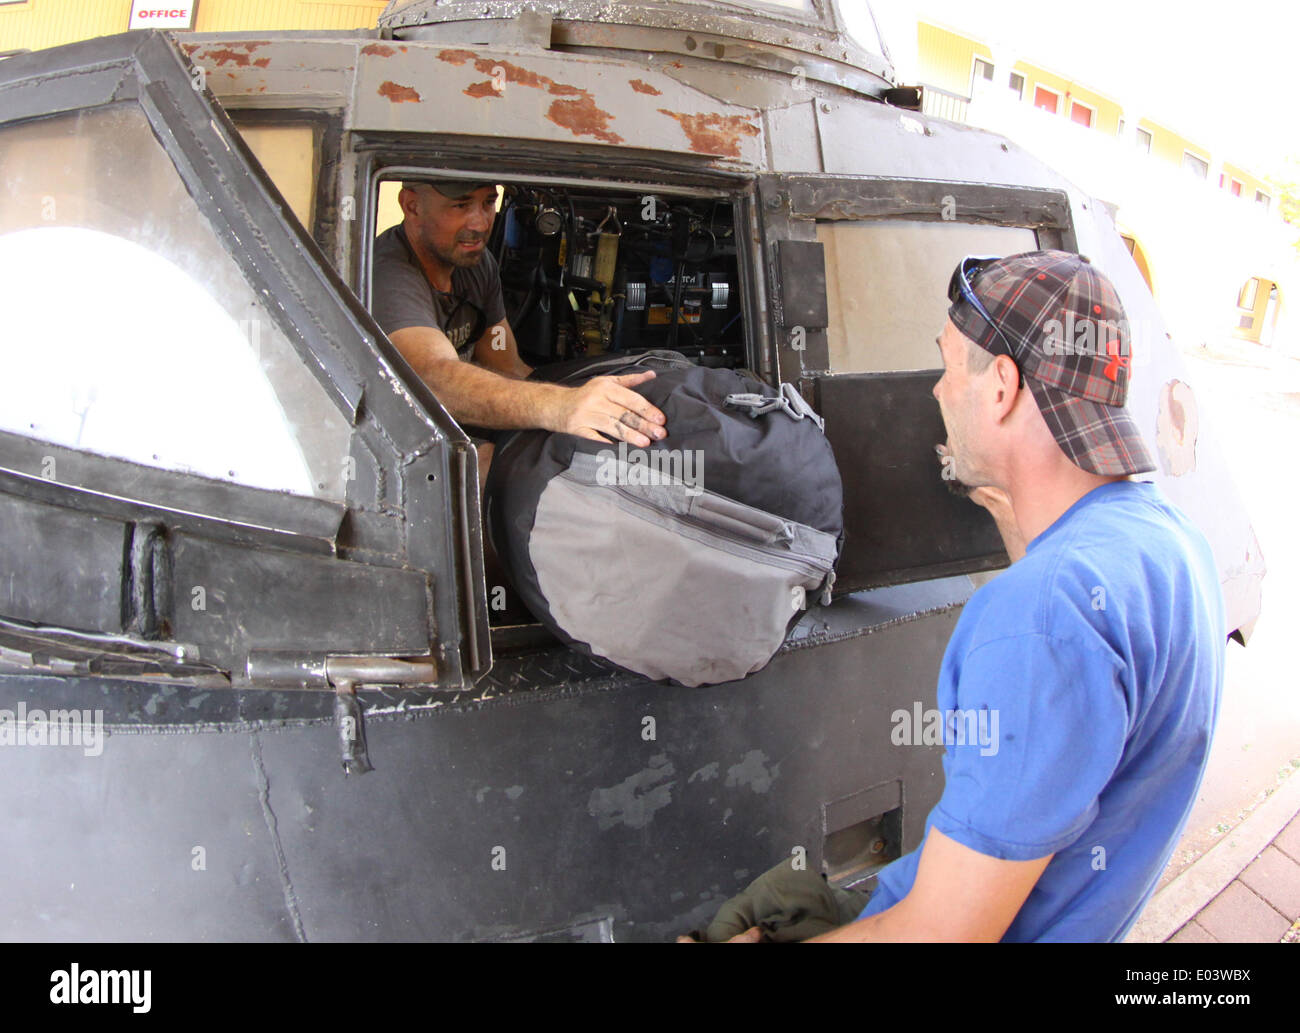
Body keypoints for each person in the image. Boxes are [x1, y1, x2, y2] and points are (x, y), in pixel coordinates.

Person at [708, 250, 1226, 943]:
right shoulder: (1172, 547)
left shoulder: (1040, 617)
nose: (938, 391)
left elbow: (941, 935)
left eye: (951, 366)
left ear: (1003, 387)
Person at [371, 179, 667, 489]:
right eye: (461, 206)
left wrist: (587, 399)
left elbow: (506, 365)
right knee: (491, 466)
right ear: (411, 205)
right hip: (394, 423)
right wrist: (559, 406)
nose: (480, 223)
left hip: (452, 413)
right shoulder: (389, 275)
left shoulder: (475, 264)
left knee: (555, 451)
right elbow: (430, 379)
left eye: (488, 203)